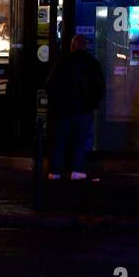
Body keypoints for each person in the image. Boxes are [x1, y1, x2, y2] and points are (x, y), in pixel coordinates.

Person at [47, 34, 105, 180]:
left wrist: (56, 102)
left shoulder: (63, 62)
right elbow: (100, 87)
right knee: (81, 139)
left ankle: (55, 171)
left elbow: (50, 84)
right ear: (85, 46)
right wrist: (93, 103)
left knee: (61, 139)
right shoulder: (92, 63)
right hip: (84, 109)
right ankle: (76, 170)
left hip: (64, 109)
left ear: (72, 46)